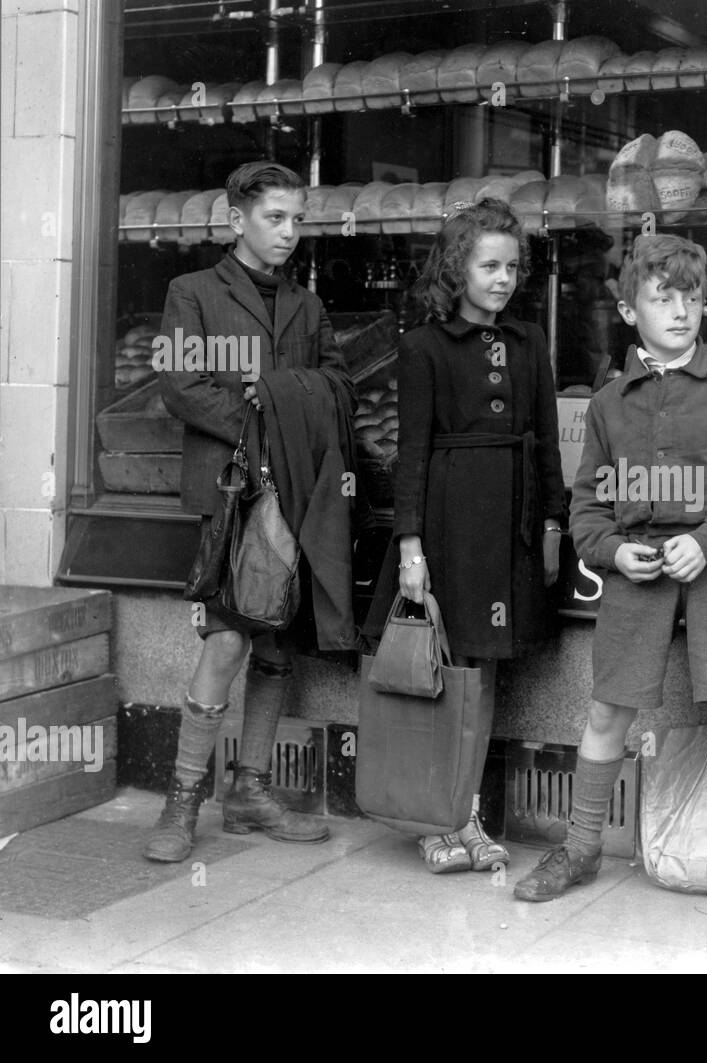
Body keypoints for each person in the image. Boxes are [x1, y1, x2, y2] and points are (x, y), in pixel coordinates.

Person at [513, 233, 707, 927]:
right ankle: (582, 845)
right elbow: (586, 504)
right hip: (636, 570)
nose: (680, 310)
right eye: (661, 297)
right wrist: (612, 552)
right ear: (630, 311)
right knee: (605, 711)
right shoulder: (609, 402)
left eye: (691, 296)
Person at [147, 160, 357, 861]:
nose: (290, 232)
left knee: (275, 643)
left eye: (298, 218)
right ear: (236, 219)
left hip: (293, 495)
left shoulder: (309, 305)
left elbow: (337, 384)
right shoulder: (193, 292)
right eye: (276, 217)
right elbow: (181, 384)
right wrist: (260, 416)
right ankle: (183, 800)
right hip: (231, 497)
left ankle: (251, 788)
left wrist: (279, 393)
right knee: (229, 639)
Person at [391, 198, 566, 873]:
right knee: (447, 673)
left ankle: (467, 815)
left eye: (512, 266)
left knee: (485, 672)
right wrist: (412, 548)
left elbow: (548, 438)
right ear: (456, 267)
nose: (503, 278)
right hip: (450, 527)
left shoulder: (529, 343)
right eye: (488, 264)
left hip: (513, 525)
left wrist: (552, 521)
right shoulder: (424, 346)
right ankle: (434, 819)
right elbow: (413, 453)